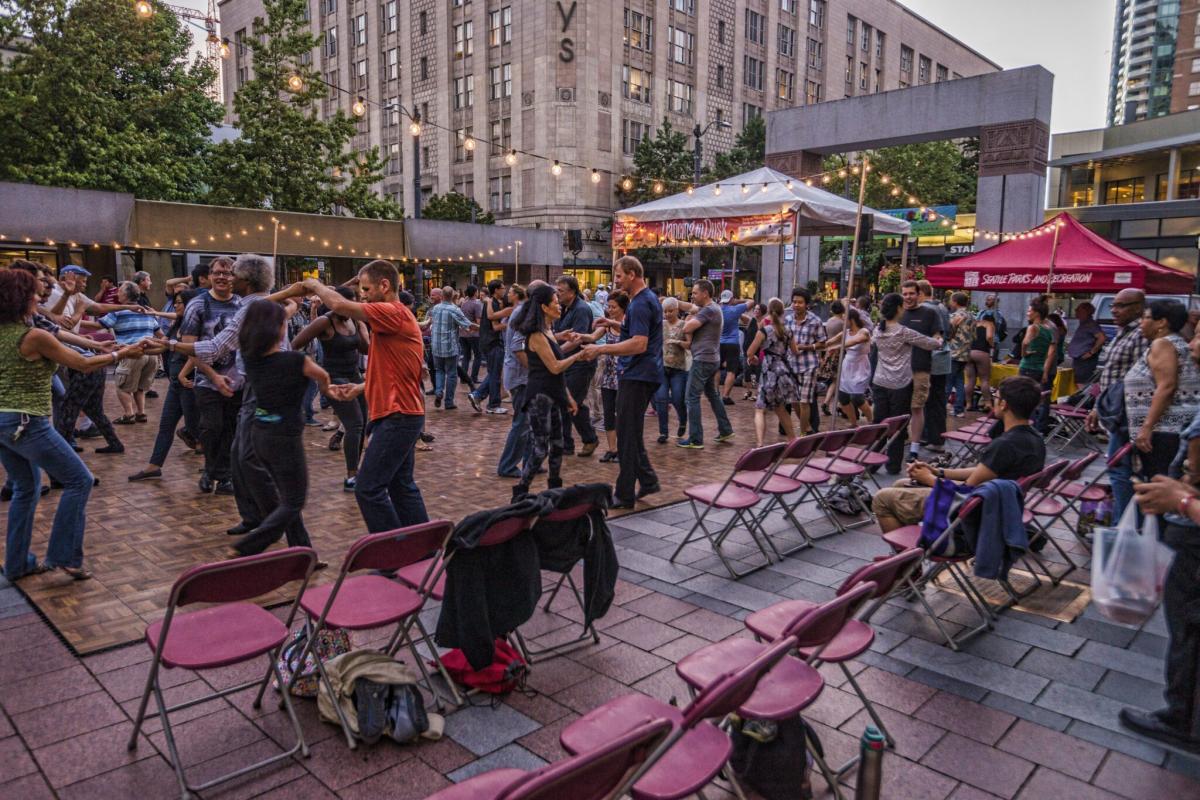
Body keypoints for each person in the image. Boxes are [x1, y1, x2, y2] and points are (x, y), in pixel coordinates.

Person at [0, 269, 145, 581]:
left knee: (26, 488)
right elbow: (81, 364)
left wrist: (97, 347)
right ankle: (66, 557)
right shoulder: (32, 336)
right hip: (28, 421)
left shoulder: (13, 332)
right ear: (19, 299)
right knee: (79, 480)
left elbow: (65, 337)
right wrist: (122, 352)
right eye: (35, 295)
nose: (39, 299)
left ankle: (16, 564)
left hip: (3, 422)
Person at [299, 262, 429, 531]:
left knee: (368, 488)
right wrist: (359, 388)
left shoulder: (391, 310)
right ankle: (423, 548)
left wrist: (313, 284)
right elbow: (395, 370)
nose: (363, 295)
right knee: (401, 486)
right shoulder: (397, 316)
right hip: (402, 414)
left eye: (367, 289)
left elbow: (340, 305)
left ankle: (395, 551)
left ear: (385, 286)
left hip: (398, 416)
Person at [872, 376, 1047, 533]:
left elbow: (964, 492)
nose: (994, 401)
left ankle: (907, 562)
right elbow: (982, 471)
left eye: (996, 397)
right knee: (902, 484)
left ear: (1004, 404)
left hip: (975, 510)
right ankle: (912, 544)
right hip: (997, 502)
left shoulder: (1005, 445)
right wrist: (937, 472)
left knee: (882, 499)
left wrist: (928, 479)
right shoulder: (1035, 439)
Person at [230, 300, 331, 558]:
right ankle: (251, 544)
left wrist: (287, 309)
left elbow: (271, 319)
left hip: (260, 433)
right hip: (284, 438)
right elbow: (323, 376)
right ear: (279, 329)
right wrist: (327, 391)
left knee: (287, 497)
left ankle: (303, 552)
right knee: (294, 500)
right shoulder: (296, 360)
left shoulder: (250, 358)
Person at [580, 257, 662, 509]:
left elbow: (639, 343)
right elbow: (638, 332)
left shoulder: (639, 304)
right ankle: (646, 480)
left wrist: (601, 350)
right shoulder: (644, 300)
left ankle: (625, 493)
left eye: (618, 276)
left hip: (639, 374)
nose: (615, 280)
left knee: (626, 434)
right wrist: (613, 323)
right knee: (631, 432)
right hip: (642, 373)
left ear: (632, 274)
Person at [512, 283, 587, 499]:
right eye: (555, 302)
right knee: (540, 447)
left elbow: (556, 369)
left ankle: (554, 489)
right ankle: (521, 491)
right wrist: (578, 355)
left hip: (552, 394)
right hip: (540, 396)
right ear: (544, 307)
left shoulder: (548, 330)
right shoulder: (536, 335)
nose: (559, 306)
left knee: (557, 444)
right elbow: (555, 366)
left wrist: (568, 397)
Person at [291, 287, 370, 491]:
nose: (353, 308)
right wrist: (314, 371)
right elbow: (295, 345)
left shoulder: (353, 320)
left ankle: (358, 471)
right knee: (354, 424)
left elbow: (365, 349)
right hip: (333, 378)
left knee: (362, 422)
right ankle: (351, 476)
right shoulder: (324, 322)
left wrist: (362, 327)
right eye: (349, 304)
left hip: (354, 375)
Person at [176, 259, 243, 495]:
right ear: (209, 276)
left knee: (231, 429)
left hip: (237, 380)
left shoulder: (241, 304)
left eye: (227, 273)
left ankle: (221, 475)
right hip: (207, 379)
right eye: (217, 273)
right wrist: (214, 376)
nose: (222, 277)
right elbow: (188, 347)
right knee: (211, 427)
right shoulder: (198, 305)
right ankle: (213, 470)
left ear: (235, 277)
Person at [1085, 289, 1148, 521]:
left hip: (1127, 414)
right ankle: (1123, 523)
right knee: (1118, 470)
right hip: (1113, 410)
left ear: (1139, 307)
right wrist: (1096, 407)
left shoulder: (1142, 333)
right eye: (1113, 305)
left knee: (1120, 470)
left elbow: (1141, 378)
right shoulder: (1124, 332)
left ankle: (1124, 526)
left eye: (1121, 305)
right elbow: (1111, 375)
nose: (1114, 309)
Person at [1124, 299, 1200, 479]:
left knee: (1158, 484)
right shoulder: (1175, 343)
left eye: (1146, 317)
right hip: (1170, 429)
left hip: (1164, 431)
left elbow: (1167, 386)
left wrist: (1147, 427)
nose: (1141, 323)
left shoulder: (1163, 344)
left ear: (1161, 322)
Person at [871, 293, 943, 474]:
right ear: (898, 309)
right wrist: (939, 340)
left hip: (880, 381)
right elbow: (931, 344)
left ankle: (873, 463)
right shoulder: (903, 331)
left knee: (880, 424)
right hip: (900, 384)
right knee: (898, 426)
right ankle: (893, 465)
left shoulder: (877, 330)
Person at [677, 279, 735, 449]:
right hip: (711, 359)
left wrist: (685, 321)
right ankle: (725, 429)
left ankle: (695, 438)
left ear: (705, 293)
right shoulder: (712, 308)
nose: (692, 296)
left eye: (695, 293)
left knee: (691, 397)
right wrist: (675, 302)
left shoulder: (708, 310)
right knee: (712, 395)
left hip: (702, 359)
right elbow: (691, 307)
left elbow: (687, 328)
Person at [97, 281, 164, 424]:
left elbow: (99, 325)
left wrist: (76, 324)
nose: (117, 293)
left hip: (131, 353)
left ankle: (128, 415)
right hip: (150, 356)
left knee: (122, 386)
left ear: (126, 295)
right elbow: (160, 334)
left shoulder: (118, 311)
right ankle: (141, 413)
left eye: (120, 291)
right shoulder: (146, 311)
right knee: (140, 387)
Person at [551, 275, 599, 457]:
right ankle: (575, 441)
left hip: (580, 363)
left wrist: (556, 353)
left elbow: (576, 338)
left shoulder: (581, 309)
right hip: (567, 363)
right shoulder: (564, 308)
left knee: (571, 402)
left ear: (572, 292)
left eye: (561, 290)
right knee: (569, 401)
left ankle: (584, 439)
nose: (558, 293)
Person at [745, 298, 799, 447]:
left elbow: (750, 351)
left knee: (760, 409)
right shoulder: (788, 331)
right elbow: (795, 351)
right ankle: (793, 440)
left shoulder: (765, 330)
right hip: (784, 372)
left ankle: (760, 443)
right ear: (783, 312)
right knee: (781, 408)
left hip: (769, 372)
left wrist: (754, 358)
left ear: (768, 311)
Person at [497, 283, 532, 477]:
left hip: (518, 374)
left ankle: (529, 459)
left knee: (527, 422)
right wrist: (534, 370)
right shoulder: (523, 313)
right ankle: (507, 465)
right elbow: (517, 345)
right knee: (521, 423)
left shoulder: (520, 311)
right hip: (520, 376)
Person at [427, 286, 477, 410]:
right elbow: (468, 325)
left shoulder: (435, 309)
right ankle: (449, 402)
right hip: (450, 346)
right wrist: (484, 327)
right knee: (451, 374)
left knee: (439, 370)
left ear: (442, 296)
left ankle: (439, 391)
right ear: (453, 296)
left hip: (436, 346)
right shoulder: (454, 309)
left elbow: (429, 322)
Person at [785, 288, 826, 435]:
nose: (796, 305)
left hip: (809, 365)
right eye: (794, 302)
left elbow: (823, 343)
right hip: (791, 365)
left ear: (806, 304)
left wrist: (807, 347)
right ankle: (807, 427)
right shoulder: (788, 320)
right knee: (793, 400)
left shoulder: (815, 321)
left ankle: (803, 434)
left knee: (804, 402)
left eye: (800, 302)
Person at [915, 280, 951, 450]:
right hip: (943, 358)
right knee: (937, 400)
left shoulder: (927, 309)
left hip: (932, 360)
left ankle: (932, 437)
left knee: (928, 400)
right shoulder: (942, 307)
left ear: (920, 293)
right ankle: (936, 436)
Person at [468, 279, 510, 413]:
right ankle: (493, 405)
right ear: (496, 290)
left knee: (493, 372)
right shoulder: (493, 303)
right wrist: (512, 325)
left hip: (487, 342)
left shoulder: (491, 302)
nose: (504, 290)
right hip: (493, 342)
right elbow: (496, 326)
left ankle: (477, 395)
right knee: (495, 374)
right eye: (502, 288)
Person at [826, 307, 873, 425]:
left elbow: (856, 341)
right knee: (843, 398)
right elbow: (830, 341)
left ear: (851, 320)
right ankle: (853, 424)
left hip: (860, 366)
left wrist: (837, 347)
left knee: (857, 398)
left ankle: (872, 421)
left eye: (844, 320)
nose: (843, 322)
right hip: (847, 366)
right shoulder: (845, 332)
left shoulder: (864, 332)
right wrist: (817, 346)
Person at [1018, 296, 1058, 434]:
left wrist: (1024, 353)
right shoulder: (1048, 329)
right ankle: (1035, 428)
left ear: (1037, 313)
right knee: (1037, 399)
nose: (1028, 313)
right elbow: (1051, 353)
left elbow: (1024, 343)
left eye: (1029, 311)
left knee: (1023, 399)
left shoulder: (1033, 327)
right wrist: (1046, 372)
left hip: (1028, 367)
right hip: (1040, 369)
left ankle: (1025, 428)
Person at [653, 297, 690, 445]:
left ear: (677, 310)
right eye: (665, 311)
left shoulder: (684, 325)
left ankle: (682, 420)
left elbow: (690, 344)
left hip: (679, 369)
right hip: (662, 367)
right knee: (661, 399)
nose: (667, 314)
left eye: (670, 311)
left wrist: (678, 342)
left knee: (677, 398)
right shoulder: (660, 325)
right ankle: (663, 432)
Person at [717, 289, 751, 404]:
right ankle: (725, 396)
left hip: (719, 342)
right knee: (731, 371)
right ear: (731, 299)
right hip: (732, 343)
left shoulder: (717, 309)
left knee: (716, 369)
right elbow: (751, 302)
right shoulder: (736, 309)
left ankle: (715, 394)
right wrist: (737, 301)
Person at [947, 292, 975, 417]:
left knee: (948, 382)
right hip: (965, 353)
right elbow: (974, 336)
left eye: (951, 300)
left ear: (955, 302)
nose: (950, 303)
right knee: (959, 381)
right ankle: (959, 409)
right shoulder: (972, 317)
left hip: (953, 352)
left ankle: (941, 408)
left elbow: (947, 334)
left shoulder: (953, 316)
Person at [966, 305, 996, 412]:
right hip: (982, 352)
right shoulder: (990, 324)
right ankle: (988, 403)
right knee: (984, 380)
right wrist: (992, 345)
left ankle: (968, 404)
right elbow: (989, 337)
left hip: (969, 352)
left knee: (970, 380)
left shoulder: (974, 324)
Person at [1068, 302, 1106, 384]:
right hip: (1080, 359)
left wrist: (1091, 352)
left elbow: (1102, 338)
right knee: (1078, 381)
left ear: (1086, 311)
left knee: (1082, 383)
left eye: (1078, 310)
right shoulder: (1084, 324)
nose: (1076, 311)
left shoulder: (1090, 324)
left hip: (1085, 361)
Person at [459, 284, 483, 383]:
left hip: (463, 333)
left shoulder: (463, 303)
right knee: (478, 356)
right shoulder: (476, 304)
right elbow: (478, 321)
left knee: (466, 356)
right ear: (474, 292)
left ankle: (463, 378)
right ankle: (474, 377)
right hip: (474, 334)